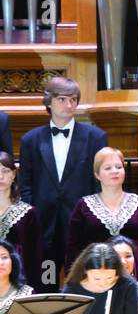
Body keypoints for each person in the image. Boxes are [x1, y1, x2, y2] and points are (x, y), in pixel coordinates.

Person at [17, 77, 109, 285]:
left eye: (74, 100)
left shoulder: (95, 137)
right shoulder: (31, 140)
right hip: (43, 227)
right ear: (49, 102)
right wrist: (34, 216)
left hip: (80, 225)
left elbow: (98, 183)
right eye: (62, 99)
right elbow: (26, 184)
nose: (69, 105)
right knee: (44, 283)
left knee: (81, 284)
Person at [65, 147, 138, 289]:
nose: (115, 171)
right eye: (108, 168)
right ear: (97, 174)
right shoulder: (83, 206)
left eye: (118, 167)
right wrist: (73, 283)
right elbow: (73, 248)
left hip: (137, 274)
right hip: (97, 276)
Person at [0, 154, 42, 287]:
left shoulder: (28, 213)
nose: (0, 177)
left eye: (5, 171)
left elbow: (36, 257)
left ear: (13, 174)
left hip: (18, 282)